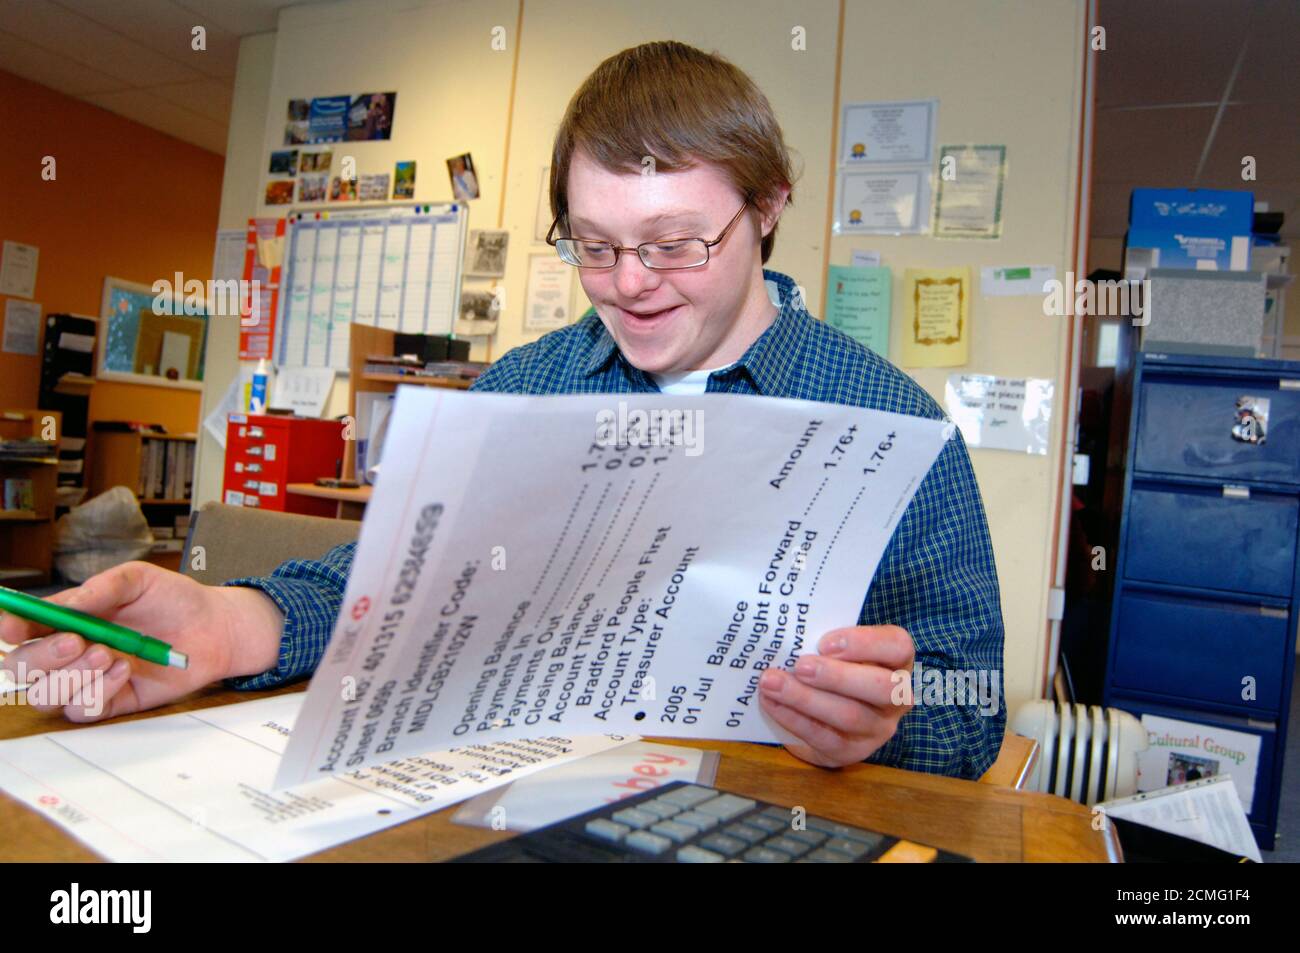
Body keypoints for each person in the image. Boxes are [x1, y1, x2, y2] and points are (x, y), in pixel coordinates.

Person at [0, 41, 1005, 778]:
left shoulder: (892, 425)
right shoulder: (527, 388)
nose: (630, 285)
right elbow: (387, 583)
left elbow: (974, 705)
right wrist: (227, 619)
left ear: (770, 205)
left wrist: (889, 715)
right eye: (595, 243)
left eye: (674, 243)